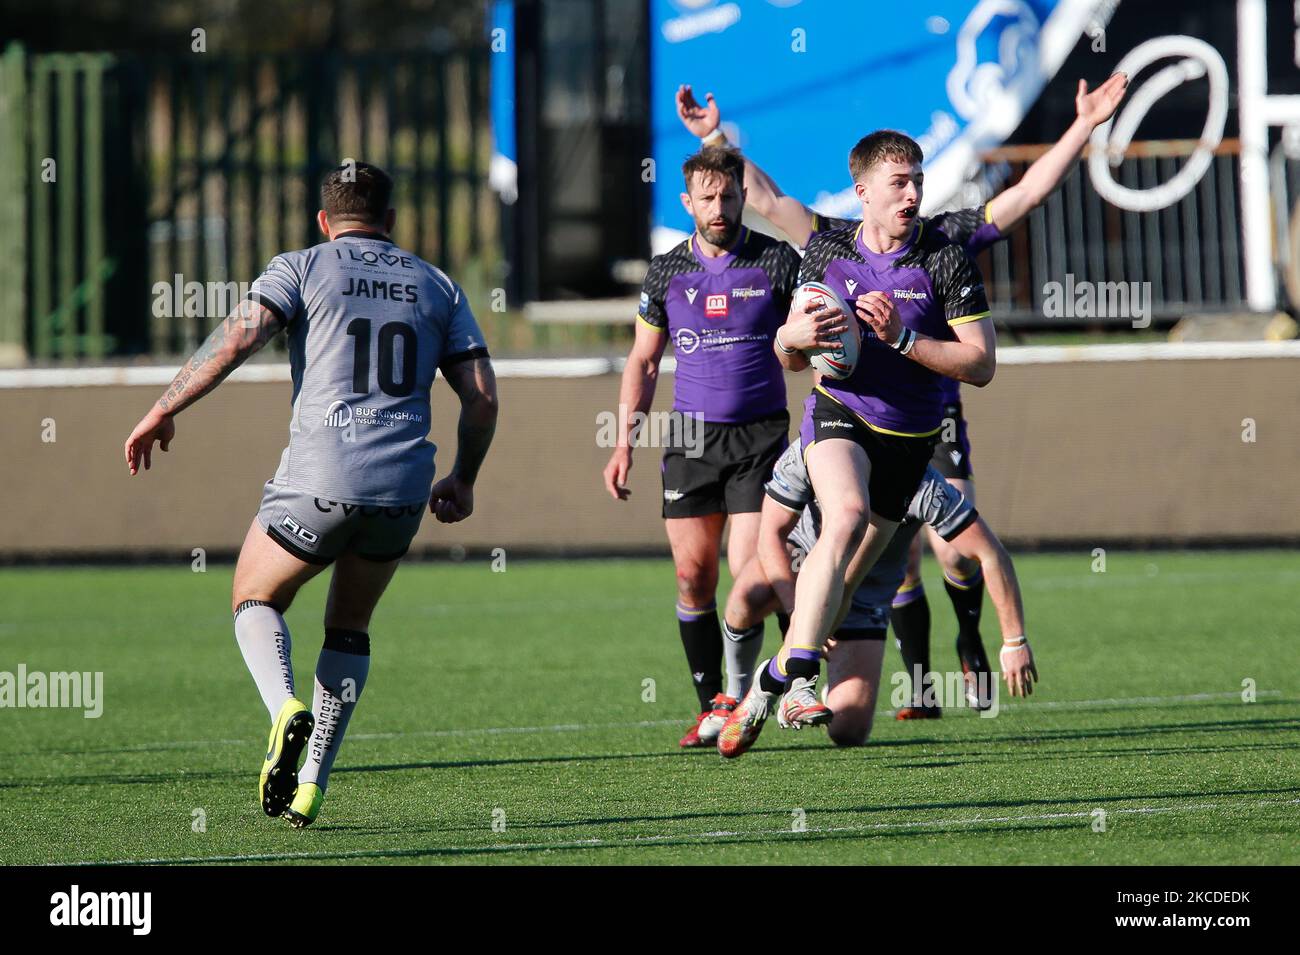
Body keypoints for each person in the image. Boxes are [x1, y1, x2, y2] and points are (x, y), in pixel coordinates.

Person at [676, 75, 1125, 712]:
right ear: (863, 192)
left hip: (926, 425)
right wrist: (715, 139)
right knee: (857, 538)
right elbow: (769, 201)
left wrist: (1083, 125)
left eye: (918, 179)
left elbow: (1024, 196)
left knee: (954, 551)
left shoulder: (946, 246)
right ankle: (797, 681)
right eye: (899, 182)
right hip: (846, 418)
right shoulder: (827, 242)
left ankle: (965, 638)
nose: (914, 192)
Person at [123, 161, 498, 827]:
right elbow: (482, 398)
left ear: (325, 220)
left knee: (253, 594)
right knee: (349, 627)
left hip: (319, 481)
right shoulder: (438, 284)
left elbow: (236, 339)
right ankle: (312, 782)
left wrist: (165, 405)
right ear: (390, 219)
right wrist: (464, 477)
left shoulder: (302, 266)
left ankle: (283, 709)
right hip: (402, 489)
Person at [603, 147, 802, 747]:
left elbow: (813, 340)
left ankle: (779, 684)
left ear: (744, 195)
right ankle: (713, 704)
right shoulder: (665, 272)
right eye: (708, 198)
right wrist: (623, 443)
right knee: (693, 576)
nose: (721, 207)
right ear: (688, 203)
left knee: (750, 575)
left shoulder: (776, 262)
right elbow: (643, 359)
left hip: (759, 436)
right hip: (687, 438)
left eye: (730, 195)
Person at [718, 428, 1037, 758]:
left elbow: (990, 553)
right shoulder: (812, 449)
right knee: (746, 595)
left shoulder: (919, 479)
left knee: (849, 729)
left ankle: (772, 679)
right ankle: (738, 692)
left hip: (863, 600)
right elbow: (769, 534)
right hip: (800, 568)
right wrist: (797, 609)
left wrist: (1015, 641)